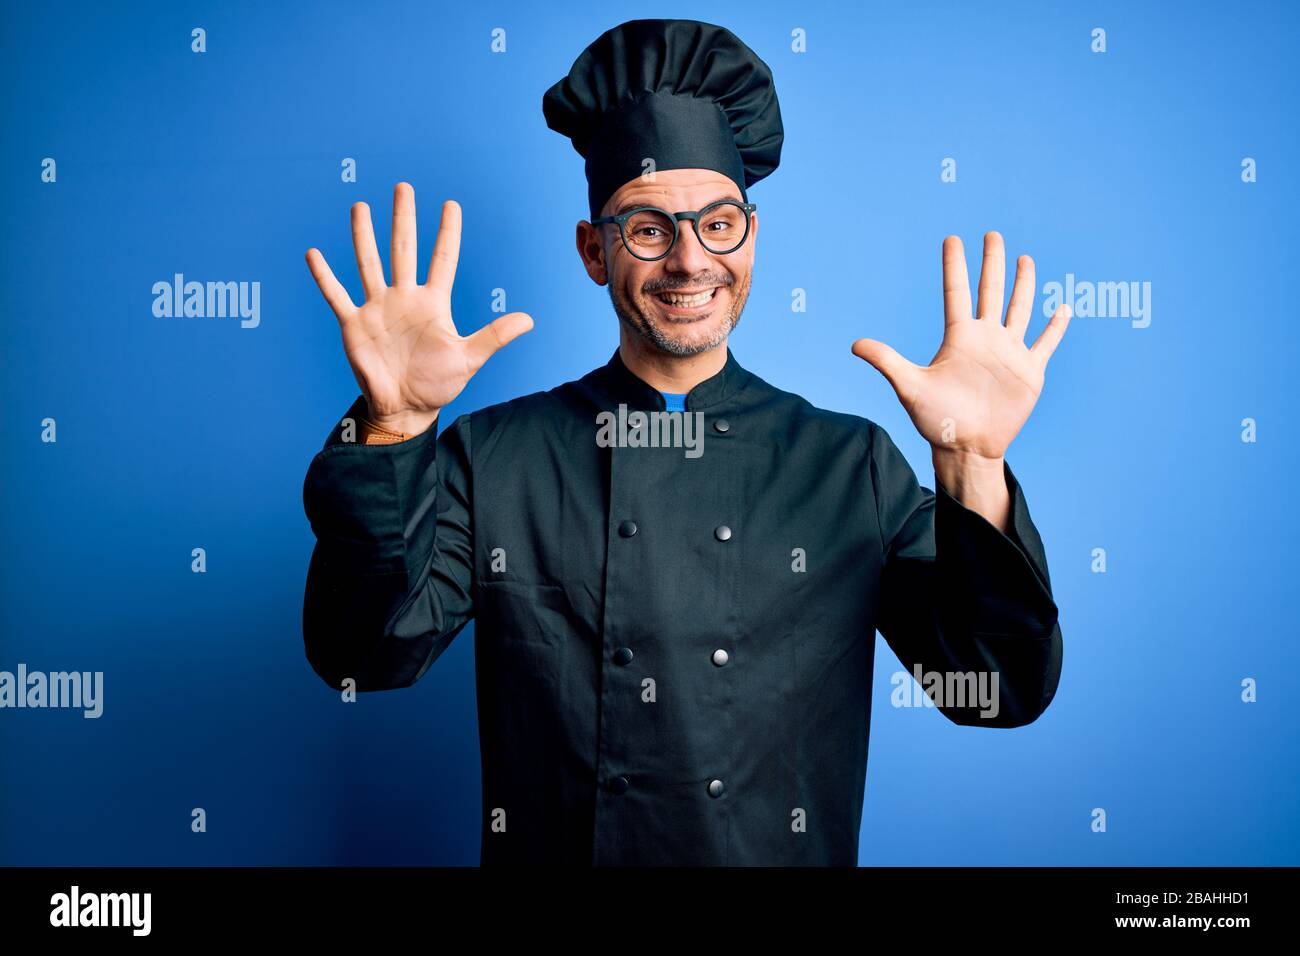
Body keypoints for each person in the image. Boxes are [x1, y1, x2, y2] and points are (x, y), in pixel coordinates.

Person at [300, 18, 1070, 866]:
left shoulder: (850, 467)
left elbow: (998, 691)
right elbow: (362, 655)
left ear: (752, 237)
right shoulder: (497, 458)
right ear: (595, 251)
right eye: (647, 229)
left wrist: (971, 464)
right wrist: (394, 425)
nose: (689, 261)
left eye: (719, 223)